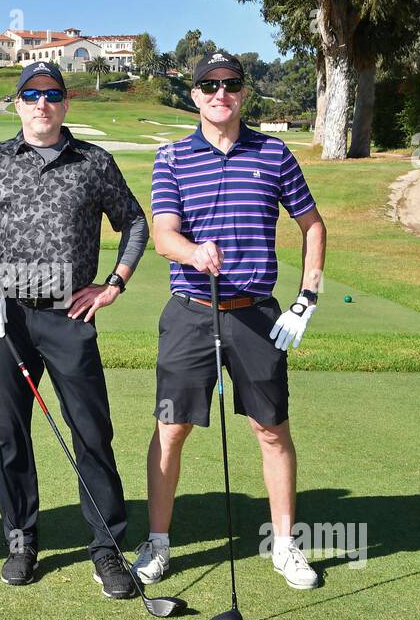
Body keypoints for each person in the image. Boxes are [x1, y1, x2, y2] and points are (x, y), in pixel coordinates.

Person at [0, 61, 149, 598]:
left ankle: (106, 548)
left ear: (66, 104)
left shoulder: (93, 161)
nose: (42, 104)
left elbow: (134, 222)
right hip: (3, 314)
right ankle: (20, 539)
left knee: (91, 429)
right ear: (17, 103)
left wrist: (113, 284)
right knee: (9, 430)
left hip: (70, 314)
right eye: (31, 95)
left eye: (52, 95)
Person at [133, 52, 327, 591]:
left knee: (271, 430)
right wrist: (194, 252)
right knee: (171, 428)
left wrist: (306, 295)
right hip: (191, 312)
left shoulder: (274, 153)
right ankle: (159, 543)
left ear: (244, 93)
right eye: (209, 86)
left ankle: (285, 546)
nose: (221, 94)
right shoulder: (172, 158)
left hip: (255, 314)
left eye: (231, 84)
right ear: (193, 95)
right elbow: (163, 234)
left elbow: (313, 225)